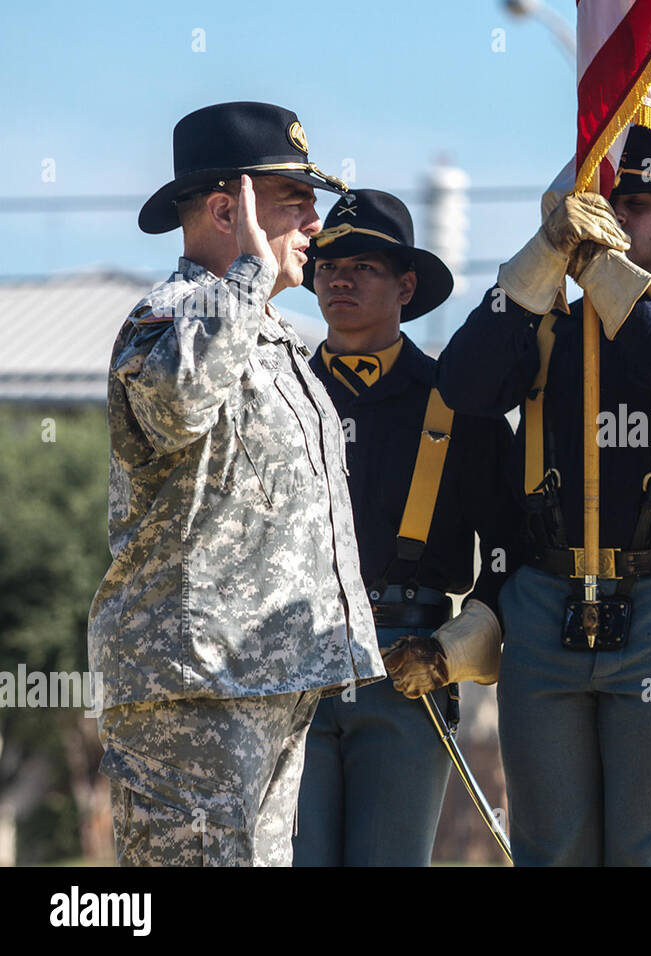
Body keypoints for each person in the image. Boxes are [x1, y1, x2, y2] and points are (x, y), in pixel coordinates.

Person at [436, 126, 651, 865]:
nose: (619, 216)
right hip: (544, 596)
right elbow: (463, 385)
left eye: (640, 203)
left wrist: (604, 275)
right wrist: (542, 260)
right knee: (549, 848)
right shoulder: (544, 328)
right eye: (606, 201)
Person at [88, 101, 384, 866]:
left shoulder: (277, 336)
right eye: (294, 205)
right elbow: (180, 403)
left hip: (269, 676)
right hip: (195, 685)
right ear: (227, 209)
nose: (317, 224)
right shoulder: (168, 316)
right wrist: (250, 274)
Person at [291, 189, 517, 866]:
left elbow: (510, 549)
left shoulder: (458, 401)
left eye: (364, 266)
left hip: (407, 668)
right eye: (329, 264)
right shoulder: (280, 396)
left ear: (406, 284)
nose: (340, 278)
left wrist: (453, 648)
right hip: (290, 668)